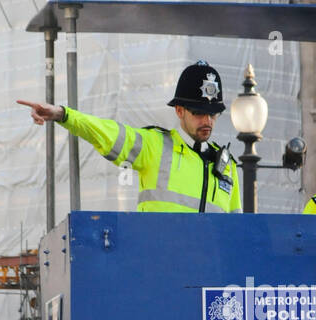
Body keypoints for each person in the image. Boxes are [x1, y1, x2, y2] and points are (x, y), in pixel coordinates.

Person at [17, 61, 241, 213]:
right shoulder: (156, 146)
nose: (208, 121)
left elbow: (238, 231)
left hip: (209, 277)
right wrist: (63, 114)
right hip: (158, 270)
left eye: (213, 114)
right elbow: (106, 132)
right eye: (199, 112)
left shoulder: (227, 165)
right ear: (179, 110)